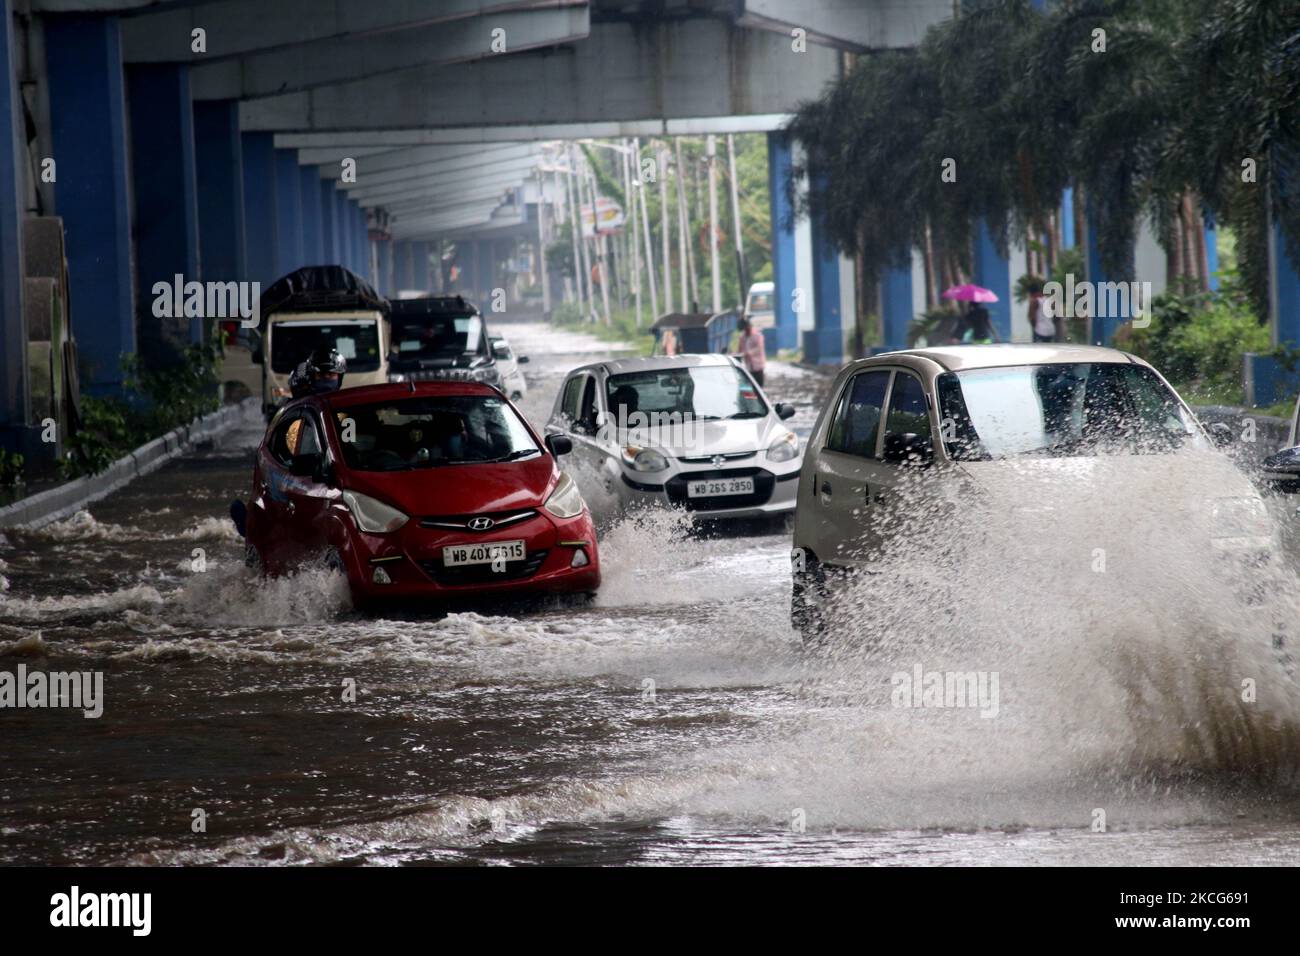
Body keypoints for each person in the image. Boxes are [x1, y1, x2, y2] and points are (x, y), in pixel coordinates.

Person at [735, 316, 767, 387]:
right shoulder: (742, 337)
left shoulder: (758, 336)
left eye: (747, 328)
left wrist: (747, 353)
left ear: (750, 326)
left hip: (758, 366)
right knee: (751, 388)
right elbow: (740, 350)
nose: (746, 330)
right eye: (744, 329)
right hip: (748, 367)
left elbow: (759, 348)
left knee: (759, 387)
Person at [1027, 277, 1055, 343]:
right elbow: (1055, 315)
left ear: (1031, 293)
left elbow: (1031, 317)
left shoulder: (1034, 301)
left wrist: (1035, 327)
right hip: (1051, 331)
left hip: (1040, 332)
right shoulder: (1048, 299)